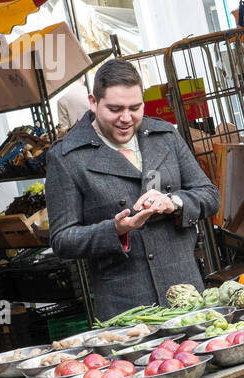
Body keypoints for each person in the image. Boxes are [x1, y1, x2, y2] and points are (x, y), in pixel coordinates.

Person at [47, 60, 220, 321]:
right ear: (93, 102)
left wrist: (174, 202)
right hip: (126, 310)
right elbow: (62, 239)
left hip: (187, 296)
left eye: (135, 108)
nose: (126, 118)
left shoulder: (165, 137)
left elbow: (209, 195)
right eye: (115, 109)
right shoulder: (67, 157)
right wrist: (115, 230)